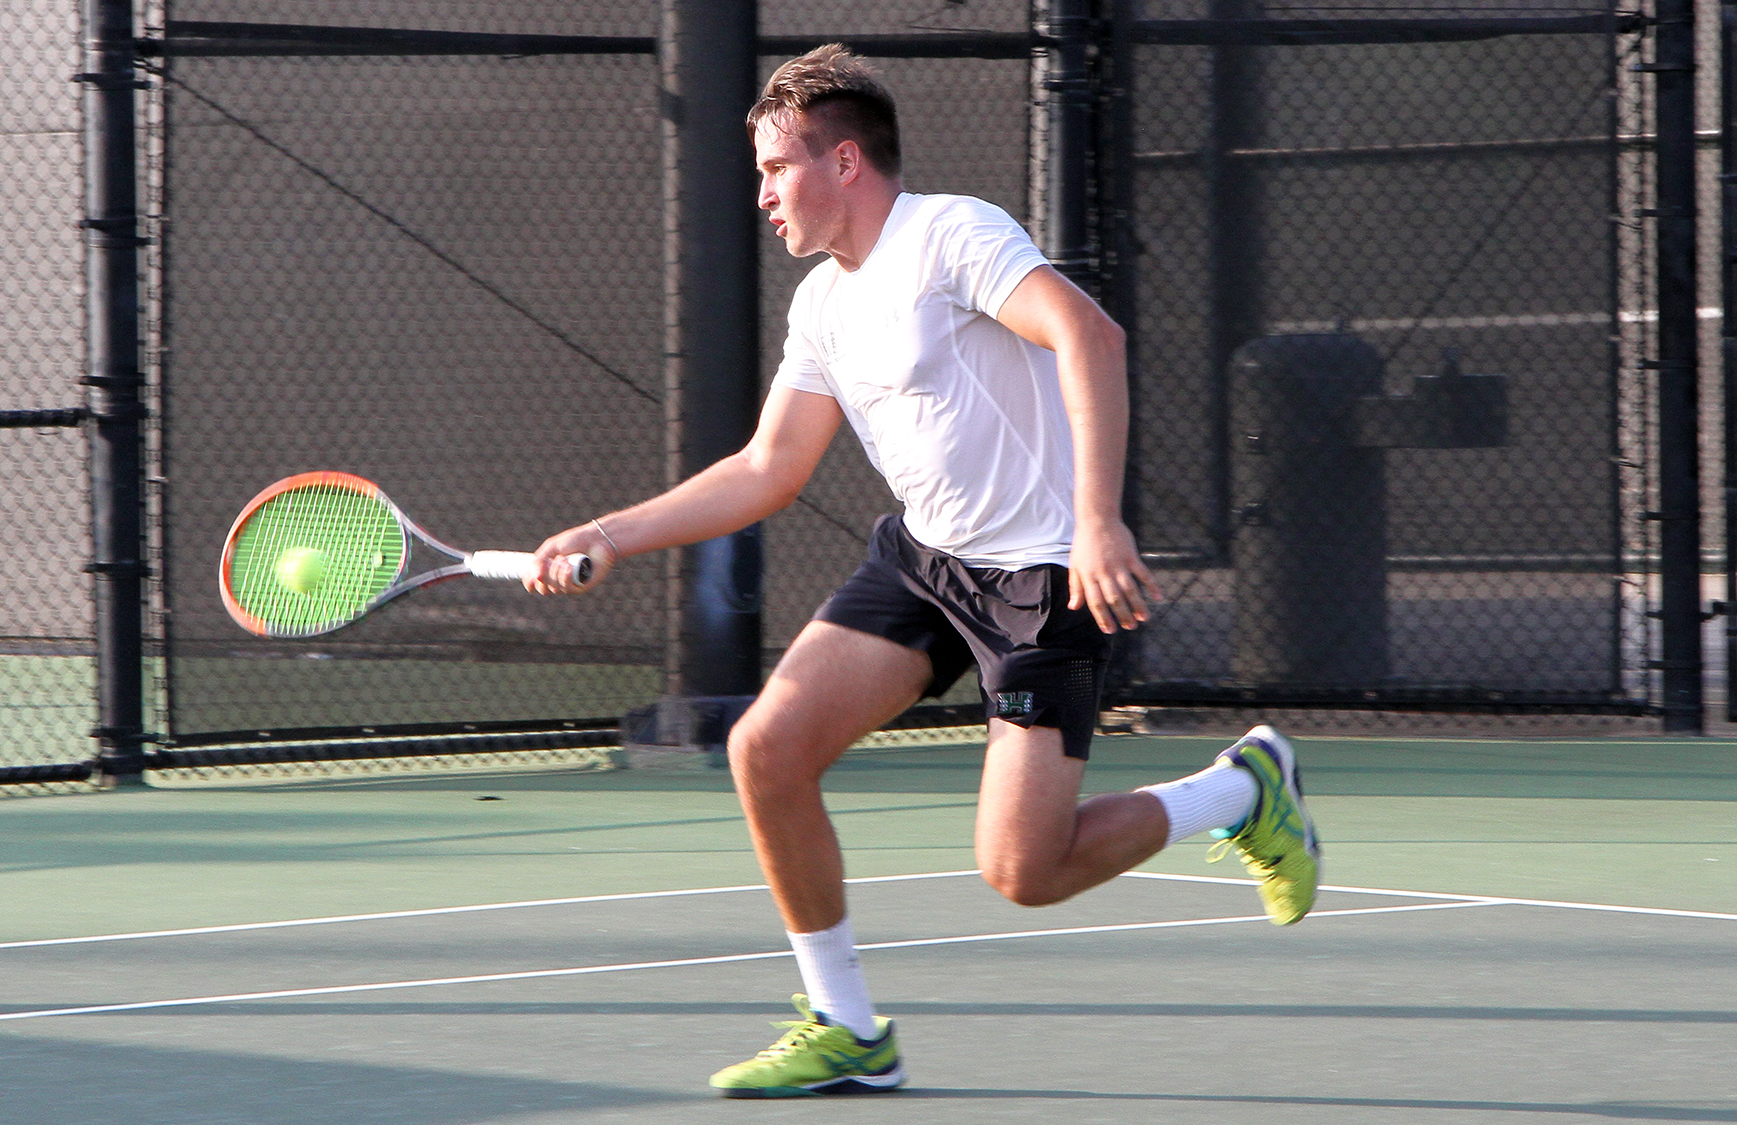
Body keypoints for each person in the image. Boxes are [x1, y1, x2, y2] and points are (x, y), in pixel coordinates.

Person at [525, 44, 1320, 1098]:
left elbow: (1088, 334)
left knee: (1021, 872)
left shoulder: (951, 234)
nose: (761, 192)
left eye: (775, 167)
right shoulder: (822, 304)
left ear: (845, 161)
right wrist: (610, 532)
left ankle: (1238, 790)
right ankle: (845, 1025)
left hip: (1041, 581)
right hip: (927, 562)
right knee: (766, 749)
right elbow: (769, 467)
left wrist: (1094, 520)